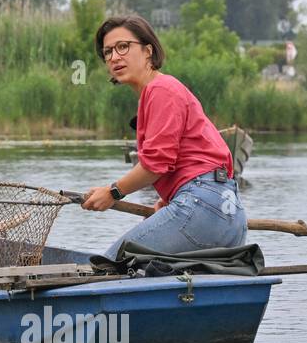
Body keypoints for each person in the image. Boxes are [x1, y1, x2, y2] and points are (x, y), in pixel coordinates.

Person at [80, 14, 248, 260]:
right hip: (229, 215)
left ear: (148, 51)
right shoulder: (160, 92)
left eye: (123, 47)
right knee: (169, 281)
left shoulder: (161, 89)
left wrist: (113, 192)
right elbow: (204, 158)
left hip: (203, 208)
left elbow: (155, 165)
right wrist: (171, 198)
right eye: (107, 52)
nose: (114, 57)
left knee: (112, 264)